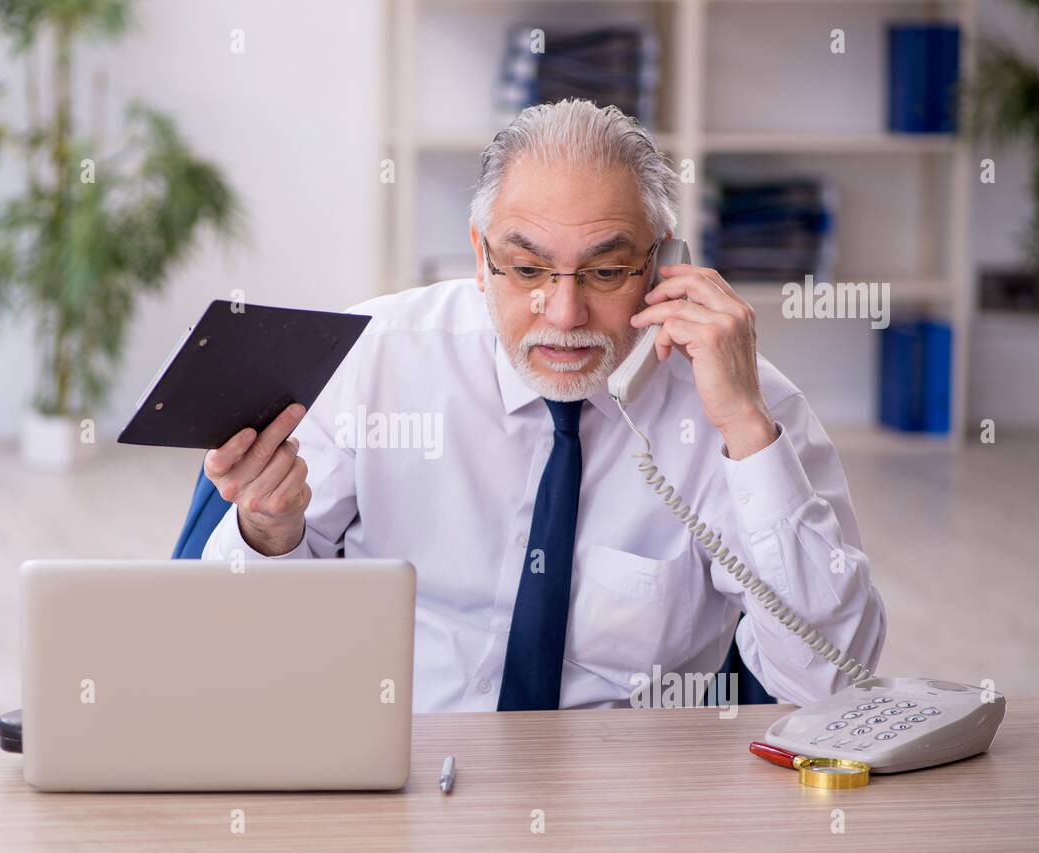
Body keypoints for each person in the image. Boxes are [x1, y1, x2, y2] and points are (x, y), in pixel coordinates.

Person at [201, 99, 885, 713]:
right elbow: (241, 640)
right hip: (396, 764)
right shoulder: (375, 358)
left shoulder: (748, 406)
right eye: (527, 270)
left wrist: (745, 430)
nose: (562, 312)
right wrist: (269, 533)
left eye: (606, 271)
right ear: (479, 256)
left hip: (624, 806)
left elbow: (834, 681)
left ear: (664, 262)